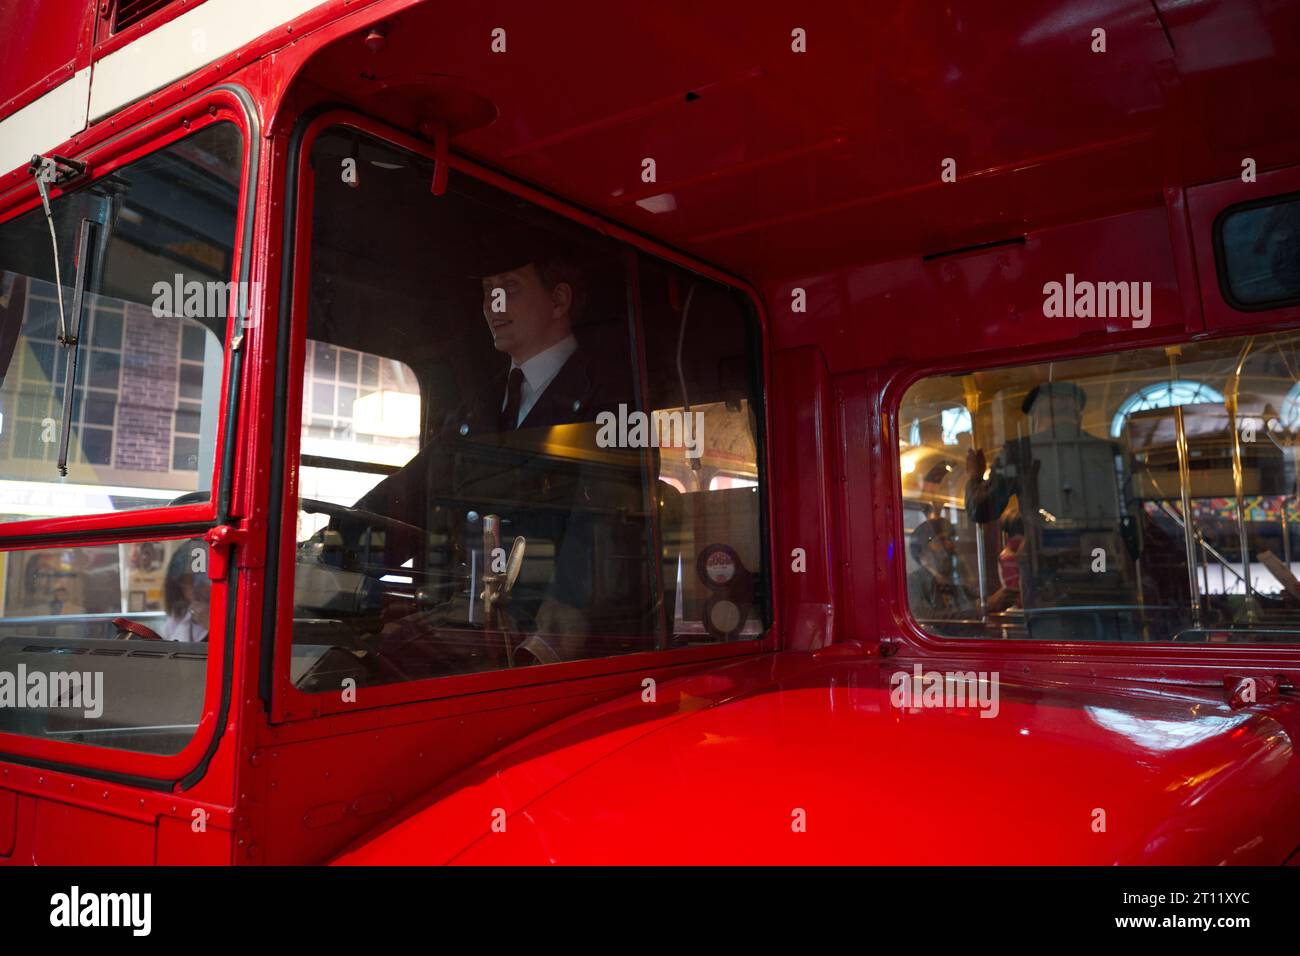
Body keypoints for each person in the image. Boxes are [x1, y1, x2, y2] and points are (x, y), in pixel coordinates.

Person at [349, 229, 637, 671]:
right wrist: (333, 551)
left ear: (559, 301)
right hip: (463, 628)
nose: (493, 306)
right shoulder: (479, 406)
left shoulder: (610, 401)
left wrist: (558, 625)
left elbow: (601, 526)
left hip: (536, 653)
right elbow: (412, 493)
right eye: (487, 291)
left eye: (509, 288)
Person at [965, 381, 1141, 638]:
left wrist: (974, 477)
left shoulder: (1019, 451)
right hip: (1106, 579)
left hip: (1049, 587)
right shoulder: (1112, 452)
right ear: (1078, 414)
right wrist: (1104, 562)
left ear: (1037, 417)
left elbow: (981, 510)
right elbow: (1132, 529)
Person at [907, 516, 976, 618]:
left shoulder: (956, 583)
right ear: (922, 552)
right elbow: (928, 620)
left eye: (950, 539)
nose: (951, 545)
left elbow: (977, 602)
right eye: (942, 540)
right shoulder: (914, 582)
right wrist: (978, 608)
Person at [160, 539, 210, 642]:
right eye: (186, 583)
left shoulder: (231, 611)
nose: (194, 590)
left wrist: (211, 625)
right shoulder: (178, 618)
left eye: (200, 580)